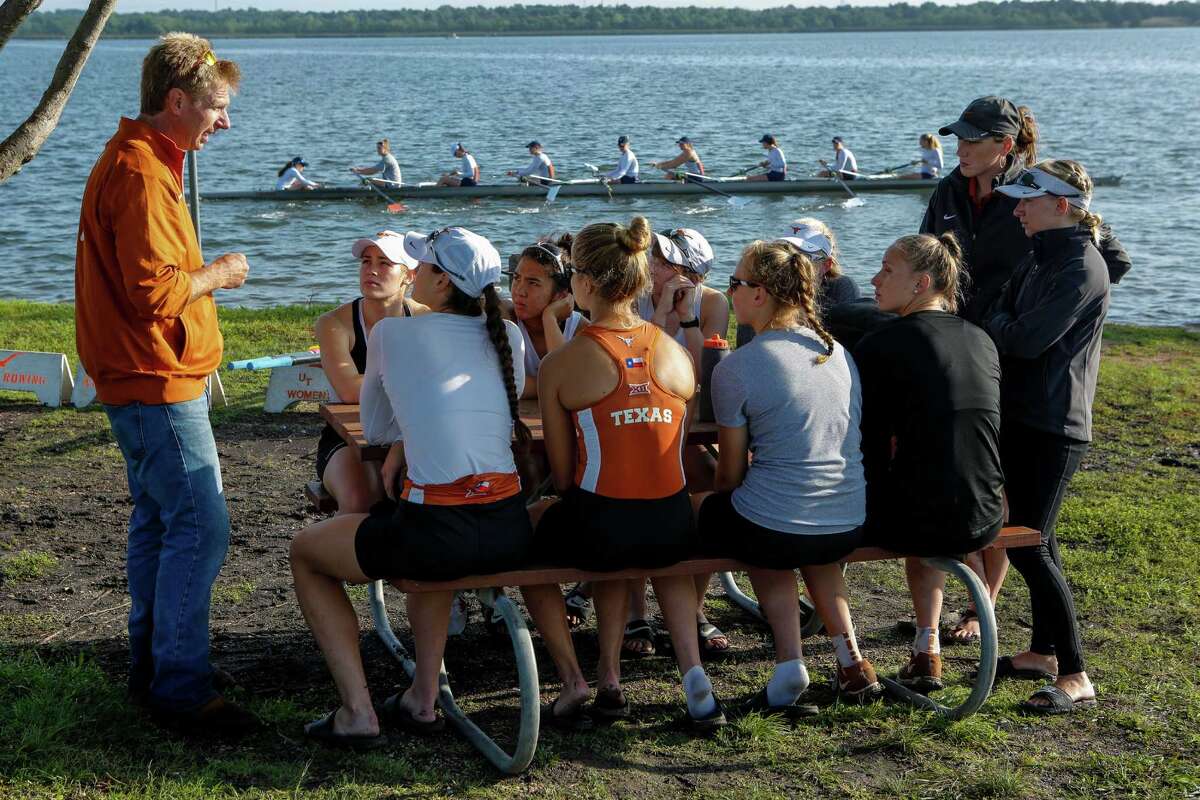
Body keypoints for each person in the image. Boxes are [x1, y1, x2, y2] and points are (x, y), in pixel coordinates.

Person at [291, 226, 533, 747]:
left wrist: (405, 438)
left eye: (421, 267)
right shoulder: (508, 335)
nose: (414, 273)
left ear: (442, 282)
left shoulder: (392, 334)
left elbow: (375, 431)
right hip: (509, 529)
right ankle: (422, 697)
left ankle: (357, 712)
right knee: (427, 530)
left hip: (437, 535)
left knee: (306, 552)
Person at [74, 33, 254, 733]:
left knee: (159, 520)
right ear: (176, 101)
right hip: (154, 380)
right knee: (203, 527)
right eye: (216, 107)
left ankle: (151, 666)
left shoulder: (144, 159)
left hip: (143, 374)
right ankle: (180, 688)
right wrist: (221, 275)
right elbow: (155, 292)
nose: (223, 121)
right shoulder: (144, 174)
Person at [920, 96, 1129, 642]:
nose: (960, 148)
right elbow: (932, 260)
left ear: (1004, 145)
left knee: (1024, 520)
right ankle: (984, 609)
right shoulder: (948, 192)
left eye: (972, 139)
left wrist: (1059, 321)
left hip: (1031, 377)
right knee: (977, 487)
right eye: (958, 138)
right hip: (968, 351)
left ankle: (992, 614)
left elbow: (1109, 264)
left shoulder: (1045, 196)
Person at [518, 216, 727, 731]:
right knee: (634, 524)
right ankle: (666, 673)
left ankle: (577, 679)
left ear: (584, 284)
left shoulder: (563, 364)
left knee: (528, 524)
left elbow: (565, 477)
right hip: (672, 528)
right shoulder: (678, 353)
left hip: (604, 528)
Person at [693, 240, 882, 707]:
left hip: (779, 527)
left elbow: (729, 476)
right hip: (847, 519)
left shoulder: (737, 366)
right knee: (793, 527)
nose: (729, 291)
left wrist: (725, 484)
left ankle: (790, 661)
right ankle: (849, 657)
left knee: (723, 511)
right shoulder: (835, 350)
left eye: (736, 283)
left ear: (759, 295)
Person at [982, 160, 1107, 715]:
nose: (1016, 209)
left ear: (1061, 206)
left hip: (1054, 425)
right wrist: (1003, 324)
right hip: (1026, 416)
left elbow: (1027, 338)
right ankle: (1041, 652)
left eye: (1026, 202)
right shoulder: (1044, 257)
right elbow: (997, 311)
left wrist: (1002, 326)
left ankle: (1075, 673)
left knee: (1029, 545)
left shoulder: (1080, 266)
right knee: (1038, 540)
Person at [854, 233, 1004, 692]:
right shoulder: (980, 338)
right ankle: (926, 646)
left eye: (886, 270)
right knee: (927, 487)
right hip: (987, 516)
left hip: (921, 520)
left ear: (921, 283)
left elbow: (867, 443)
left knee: (826, 520)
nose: (875, 280)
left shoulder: (883, 341)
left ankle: (870, 653)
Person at [314, 231, 423, 513]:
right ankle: (334, 554)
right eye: (366, 261)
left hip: (415, 431)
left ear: (409, 275)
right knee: (362, 499)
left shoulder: (426, 317)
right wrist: (420, 382)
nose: (371, 270)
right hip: (346, 438)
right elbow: (349, 391)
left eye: (385, 263)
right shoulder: (334, 323)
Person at [737, 219, 860, 348]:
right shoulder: (764, 289)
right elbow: (745, 346)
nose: (792, 262)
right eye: (785, 251)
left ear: (826, 265)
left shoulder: (841, 288)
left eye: (802, 256)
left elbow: (845, 349)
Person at [504, 234, 586, 399]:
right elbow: (503, 383)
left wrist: (549, 318)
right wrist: (550, 388)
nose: (519, 291)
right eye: (516, 278)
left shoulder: (580, 330)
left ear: (561, 294)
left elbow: (567, 388)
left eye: (533, 283)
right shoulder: (505, 317)